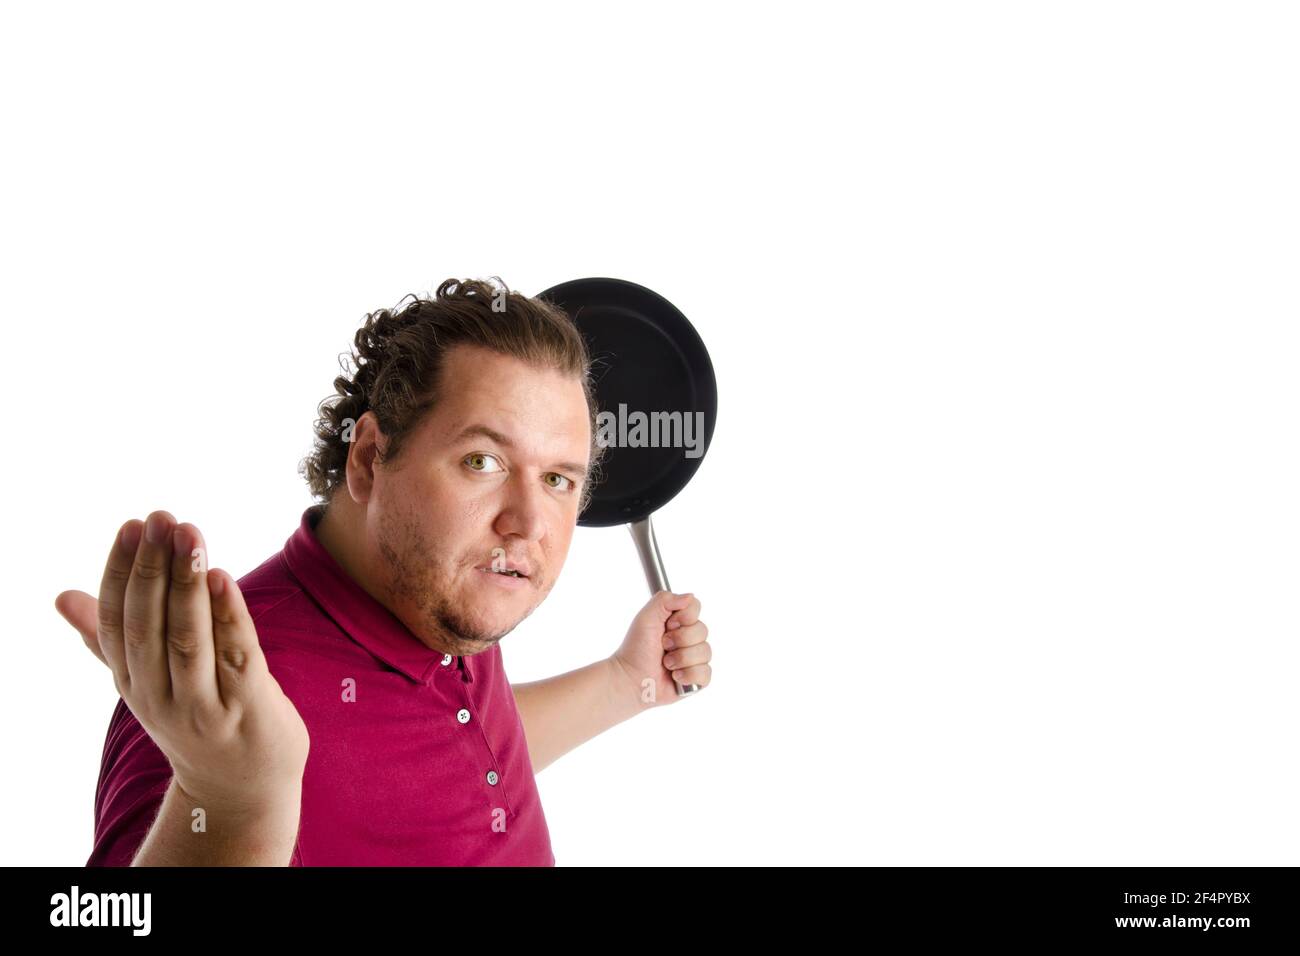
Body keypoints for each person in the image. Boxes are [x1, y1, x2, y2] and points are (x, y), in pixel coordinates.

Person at [55, 277, 712, 865]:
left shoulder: (438, 601)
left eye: (558, 479)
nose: (528, 522)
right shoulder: (224, 705)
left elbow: (449, 761)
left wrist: (626, 682)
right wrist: (230, 801)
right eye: (482, 462)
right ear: (370, 458)